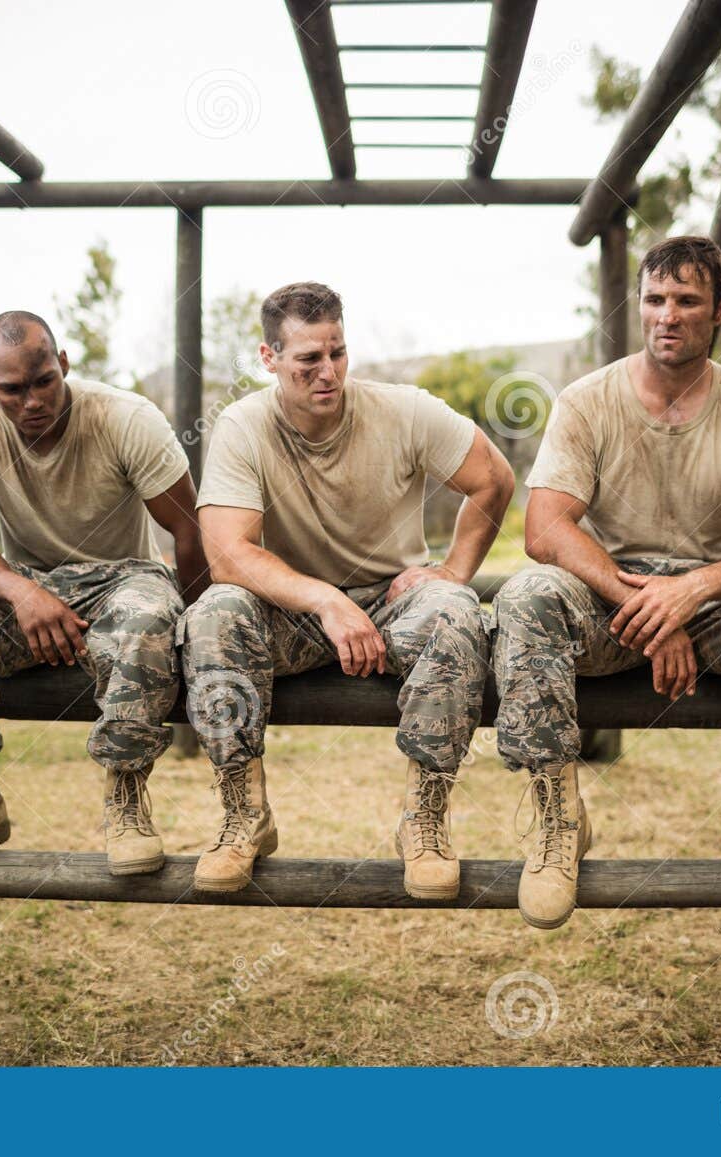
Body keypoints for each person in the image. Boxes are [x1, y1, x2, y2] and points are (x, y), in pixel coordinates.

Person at [493, 236, 721, 930]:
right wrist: (645, 603)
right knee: (524, 595)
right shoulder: (587, 400)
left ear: (719, 309)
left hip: (714, 607)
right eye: (655, 299)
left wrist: (692, 594)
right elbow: (545, 527)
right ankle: (557, 819)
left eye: (687, 300)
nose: (668, 315)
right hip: (613, 604)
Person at [180, 282, 514, 897]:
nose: (327, 372)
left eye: (337, 352)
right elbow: (227, 554)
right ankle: (242, 815)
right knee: (216, 613)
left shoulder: (404, 409)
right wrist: (326, 601)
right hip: (295, 610)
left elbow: (492, 477)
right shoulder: (242, 426)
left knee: (455, 610)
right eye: (308, 359)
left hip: (392, 601)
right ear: (269, 357)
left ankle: (426, 820)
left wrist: (454, 572)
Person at [0, 312, 205, 877]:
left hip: (123, 577)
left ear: (62, 364)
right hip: (31, 581)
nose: (33, 401)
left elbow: (188, 529)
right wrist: (23, 593)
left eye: (44, 380)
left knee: (149, 615)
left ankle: (126, 798)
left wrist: (197, 634)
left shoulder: (126, 417)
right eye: (14, 390)